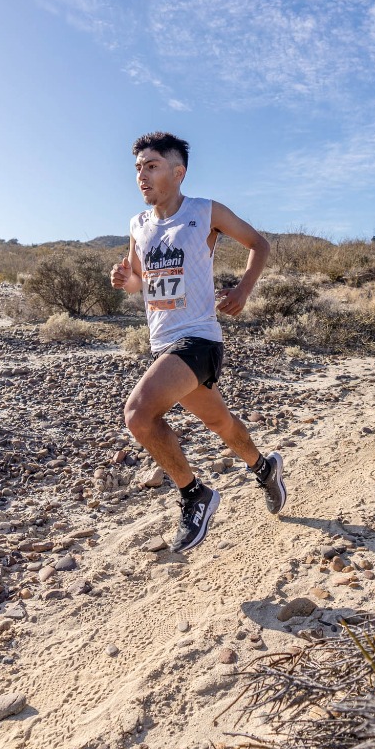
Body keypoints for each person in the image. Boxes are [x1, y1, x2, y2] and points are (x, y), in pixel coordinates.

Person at [110, 131, 286, 554]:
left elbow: (258, 244)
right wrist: (124, 280)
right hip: (162, 343)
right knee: (220, 423)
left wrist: (243, 289)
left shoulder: (205, 212)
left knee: (138, 415)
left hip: (199, 338)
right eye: (137, 168)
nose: (141, 176)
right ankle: (264, 468)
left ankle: (195, 495)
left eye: (151, 166)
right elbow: (137, 281)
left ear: (177, 171)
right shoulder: (138, 224)